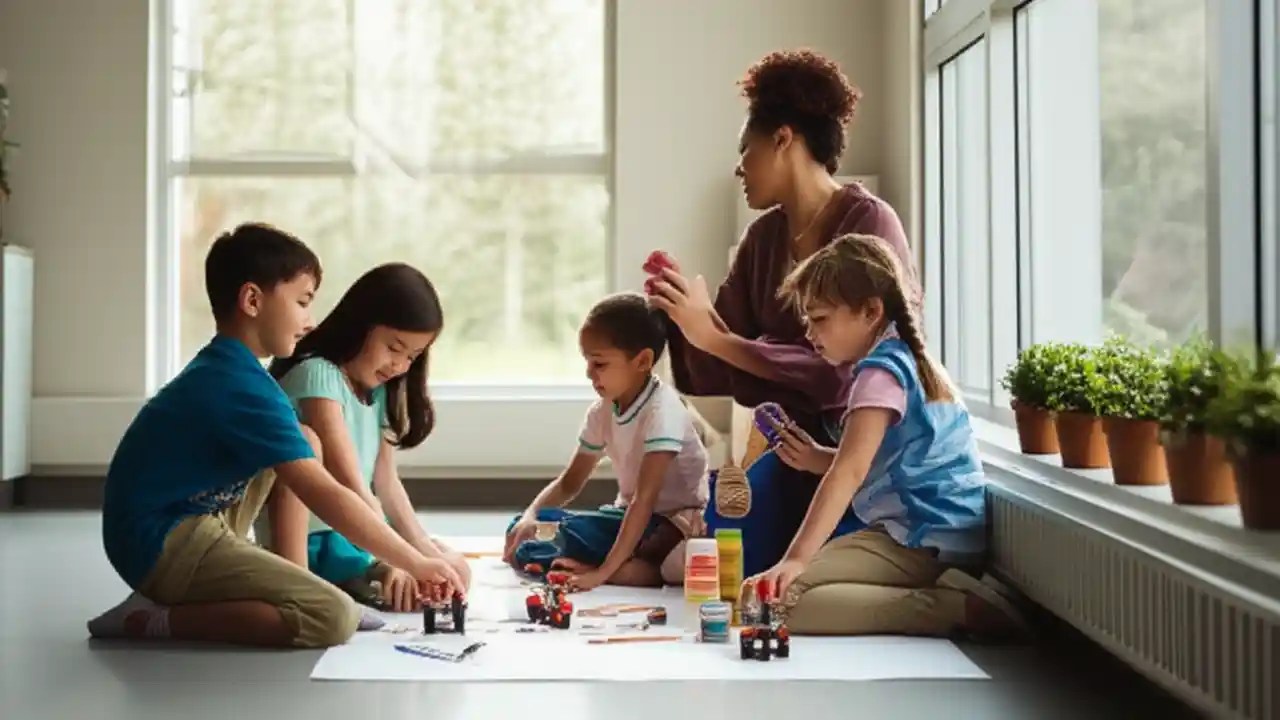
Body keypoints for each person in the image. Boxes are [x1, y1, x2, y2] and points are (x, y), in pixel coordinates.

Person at [88, 223, 464, 648]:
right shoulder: (237, 383)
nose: (310, 321)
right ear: (252, 300)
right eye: (303, 302)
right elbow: (324, 491)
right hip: (162, 545)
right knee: (331, 615)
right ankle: (153, 619)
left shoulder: (236, 370)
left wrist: (415, 556)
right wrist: (414, 561)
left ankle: (296, 580)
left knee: (303, 438)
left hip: (185, 525)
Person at [646, 48, 923, 559]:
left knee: (767, 569)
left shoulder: (869, 224)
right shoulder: (761, 240)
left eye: (745, 149)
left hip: (860, 450)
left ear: (782, 139)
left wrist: (719, 339)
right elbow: (717, 366)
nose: (739, 168)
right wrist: (679, 314)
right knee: (706, 555)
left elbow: (850, 372)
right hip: (792, 445)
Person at [745, 233, 1027, 640]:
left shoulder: (880, 373)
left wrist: (796, 559)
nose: (809, 333)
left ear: (871, 311)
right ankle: (951, 593)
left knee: (774, 602)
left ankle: (950, 608)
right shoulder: (909, 359)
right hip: (943, 532)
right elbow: (890, 461)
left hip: (922, 538)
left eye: (819, 319)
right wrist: (816, 457)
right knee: (773, 592)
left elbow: (849, 472)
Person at [260, 263, 471, 614]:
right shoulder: (318, 375)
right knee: (410, 580)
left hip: (357, 533)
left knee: (456, 569)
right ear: (361, 325)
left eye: (412, 356)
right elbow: (349, 482)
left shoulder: (379, 392)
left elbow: (386, 483)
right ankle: (364, 578)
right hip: (318, 540)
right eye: (393, 348)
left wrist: (421, 547)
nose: (400, 365)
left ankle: (380, 571)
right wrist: (398, 559)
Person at [503, 292, 709, 590]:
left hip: (672, 523)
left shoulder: (663, 410)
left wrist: (599, 576)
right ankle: (621, 567)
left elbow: (644, 501)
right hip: (626, 517)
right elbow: (569, 483)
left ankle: (621, 569)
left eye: (599, 363)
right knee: (525, 529)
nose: (589, 373)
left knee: (560, 538)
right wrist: (530, 516)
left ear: (643, 361)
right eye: (587, 361)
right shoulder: (603, 410)